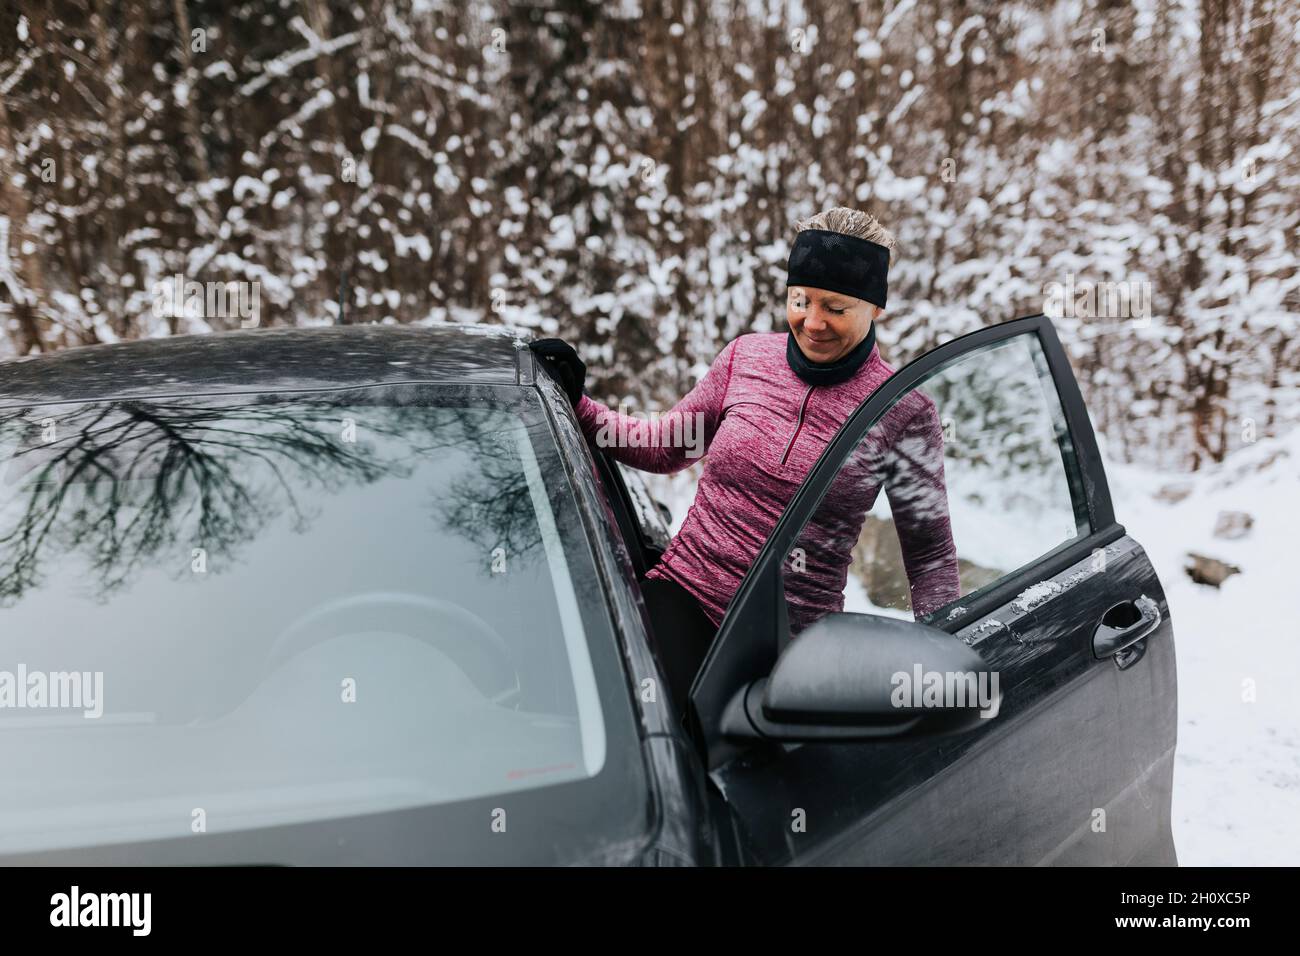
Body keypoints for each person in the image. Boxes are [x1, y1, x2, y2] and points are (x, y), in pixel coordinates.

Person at [531, 207, 960, 713]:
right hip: (686, 594)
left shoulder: (902, 410)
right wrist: (578, 403)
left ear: (876, 309)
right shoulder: (745, 359)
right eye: (800, 300)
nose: (813, 321)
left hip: (795, 643)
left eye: (837, 308)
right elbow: (667, 445)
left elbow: (930, 556)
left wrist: (946, 661)